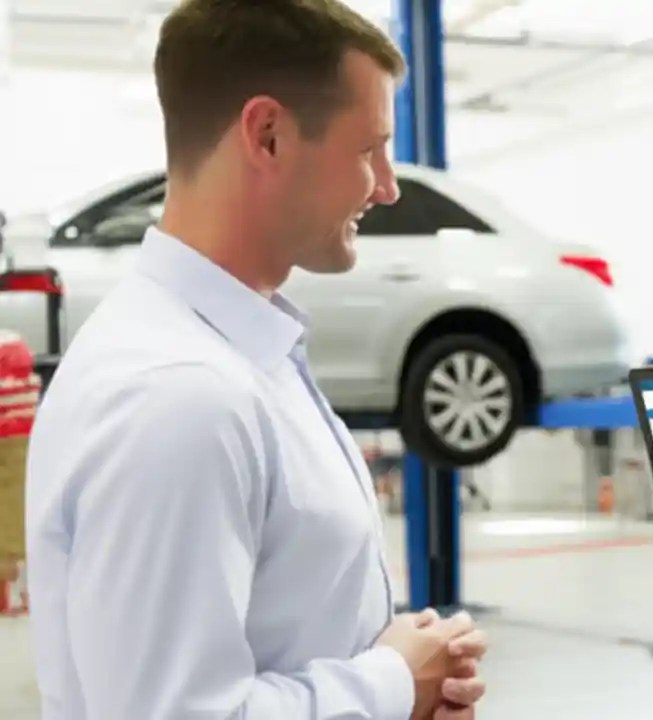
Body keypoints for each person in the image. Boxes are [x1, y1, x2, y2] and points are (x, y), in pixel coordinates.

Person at [23, 1, 487, 718]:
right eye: (369, 150)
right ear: (267, 135)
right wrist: (394, 682)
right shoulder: (179, 397)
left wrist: (409, 691)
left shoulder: (236, 356)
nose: (387, 186)